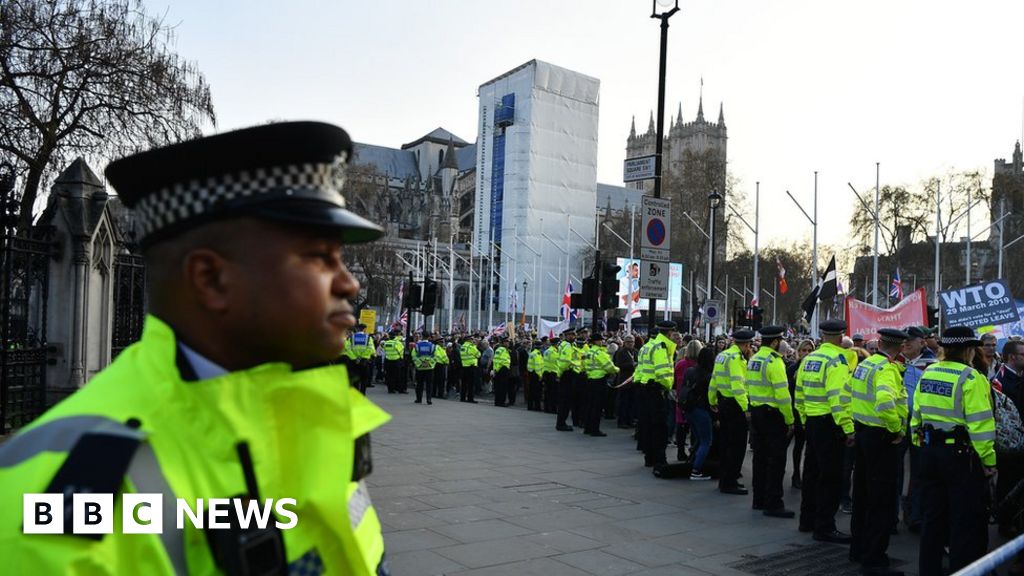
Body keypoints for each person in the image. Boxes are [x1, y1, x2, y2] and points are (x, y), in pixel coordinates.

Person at [0, 122, 391, 574]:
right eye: (319, 258)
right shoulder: (57, 489)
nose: (349, 282)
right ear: (210, 278)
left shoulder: (312, 417)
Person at [912, 326, 996, 576]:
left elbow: (916, 413)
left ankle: (928, 570)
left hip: (929, 452)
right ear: (970, 350)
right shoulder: (971, 378)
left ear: (945, 349)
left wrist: (920, 445)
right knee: (963, 521)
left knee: (933, 518)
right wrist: (989, 461)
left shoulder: (929, 372)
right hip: (960, 457)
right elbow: (981, 425)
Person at [849, 328, 909, 576]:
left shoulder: (866, 364)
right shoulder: (886, 368)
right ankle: (874, 558)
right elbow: (886, 402)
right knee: (881, 500)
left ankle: (858, 549)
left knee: (862, 495)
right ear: (900, 347)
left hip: (863, 433)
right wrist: (896, 428)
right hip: (881, 438)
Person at [796, 320, 854, 543]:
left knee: (811, 473)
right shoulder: (836, 361)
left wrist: (803, 417)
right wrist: (848, 429)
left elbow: (799, 392)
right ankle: (825, 527)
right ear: (840, 338)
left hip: (812, 420)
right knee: (830, 477)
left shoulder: (810, 358)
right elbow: (838, 399)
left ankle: (807, 520)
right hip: (829, 424)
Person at [746, 326, 796, 518]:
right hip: (773, 415)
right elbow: (783, 395)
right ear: (775, 342)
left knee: (759, 458)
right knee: (776, 461)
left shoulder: (754, 359)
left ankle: (758, 499)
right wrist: (789, 419)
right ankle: (774, 502)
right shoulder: (775, 362)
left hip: (757, 412)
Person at [710, 329, 756, 495]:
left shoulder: (722, 355)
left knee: (725, 444)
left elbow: (714, 379)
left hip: (723, 402)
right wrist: (746, 408)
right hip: (735, 406)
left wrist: (712, 399)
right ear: (746, 344)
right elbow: (738, 386)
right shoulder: (736, 358)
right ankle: (731, 481)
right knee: (736, 446)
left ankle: (724, 480)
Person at [635, 321, 678, 467]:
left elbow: (639, 369)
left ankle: (649, 457)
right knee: (660, 428)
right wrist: (668, 386)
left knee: (648, 425)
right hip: (657, 390)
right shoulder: (660, 347)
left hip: (645, 388)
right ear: (670, 333)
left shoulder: (647, 346)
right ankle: (660, 459)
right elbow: (662, 371)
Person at [684, 347, 717, 480]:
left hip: (689, 408)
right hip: (701, 410)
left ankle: (692, 462)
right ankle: (696, 470)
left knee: (698, 438)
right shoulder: (709, 376)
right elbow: (710, 396)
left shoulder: (690, 371)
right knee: (706, 441)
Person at [788, 338, 815, 488]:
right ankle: (796, 474)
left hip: (810, 411)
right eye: (804, 350)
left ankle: (807, 475)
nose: (806, 353)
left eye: (809, 350)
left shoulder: (815, 368)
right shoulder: (792, 368)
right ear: (798, 352)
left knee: (809, 447)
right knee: (797, 445)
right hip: (795, 411)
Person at [583, 333, 619, 437]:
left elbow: (584, 365)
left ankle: (588, 428)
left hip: (589, 379)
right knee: (597, 407)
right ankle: (595, 429)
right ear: (596, 341)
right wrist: (618, 369)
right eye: (600, 340)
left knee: (590, 406)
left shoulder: (589, 352)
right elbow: (609, 367)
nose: (602, 342)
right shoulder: (599, 353)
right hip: (599, 381)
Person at [556, 329, 579, 431]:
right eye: (572, 335)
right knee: (565, 401)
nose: (574, 336)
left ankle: (561, 422)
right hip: (567, 374)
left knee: (565, 401)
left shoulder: (566, 345)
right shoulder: (567, 346)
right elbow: (566, 361)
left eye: (574, 334)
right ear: (567, 335)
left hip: (566, 374)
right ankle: (561, 423)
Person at [614, 335, 639, 429]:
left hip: (634, 380)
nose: (630, 343)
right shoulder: (620, 352)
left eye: (632, 342)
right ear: (624, 342)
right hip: (624, 379)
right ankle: (622, 421)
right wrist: (632, 365)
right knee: (623, 402)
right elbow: (618, 365)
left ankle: (630, 420)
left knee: (632, 402)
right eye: (628, 342)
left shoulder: (636, 351)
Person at [412, 332, 436, 405]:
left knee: (419, 384)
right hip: (429, 368)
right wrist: (428, 363)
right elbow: (435, 357)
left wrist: (420, 363)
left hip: (420, 368)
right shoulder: (432, 346)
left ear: (422, 336)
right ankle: (429, 399)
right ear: (429, 337)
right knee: (429, 385)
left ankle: (418, 399)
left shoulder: (417, 346)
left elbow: (414, 356)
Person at [543, 335, 561, 414]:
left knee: (548, 391)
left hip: (547, 372)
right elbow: (557, 363)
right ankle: (552, 408)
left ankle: (547, 407)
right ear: (556, 344)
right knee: (553, 393)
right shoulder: (553, 352)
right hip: (553, 373)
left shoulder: (547, 350)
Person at [460, 336, 481, 403]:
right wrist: (475, 346)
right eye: (472, 339)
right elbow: (478, 355)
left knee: (464, 383)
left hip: (464, 366)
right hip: (471, 367)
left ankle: (462, 398)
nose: (473, 340)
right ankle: (470, 398)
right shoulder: (471, 346)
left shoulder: (462, 346)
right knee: (471, 384)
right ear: (469, 340)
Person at [492, 337, 512, 407]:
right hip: (502, 369)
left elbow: (496, 360)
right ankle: (501, 402)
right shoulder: (502, 349)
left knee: (499, 387)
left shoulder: (502, 349)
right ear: (503, 343)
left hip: (499, 369)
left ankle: (498, 402)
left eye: (508, 342)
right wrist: (498, 369)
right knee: (502, 387)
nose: (508, 343)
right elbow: (498, 360)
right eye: (507, 342)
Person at [526, 339, 544, 411]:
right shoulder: (537, 354)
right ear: (540, 346)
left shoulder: (532, 353)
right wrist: (540, 375)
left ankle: (530, 406)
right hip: (536, 374)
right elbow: (538, 366)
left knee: (531, 391)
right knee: (537, 392)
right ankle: (537, 407)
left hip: (531, 373)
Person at [432, 334, 449, 399]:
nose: (443, 343)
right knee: (440, 380)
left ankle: (436, 393)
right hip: (439, 364)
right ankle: (439, 394)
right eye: (442, 341)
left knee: (438, 380)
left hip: (440, 364)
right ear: (438, 342)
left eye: (443, 341)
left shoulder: (441, 348)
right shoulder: (437, 347)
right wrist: (446, 361)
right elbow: (438, 356)